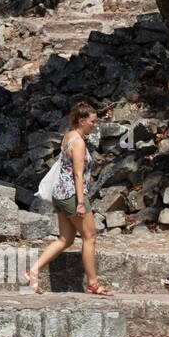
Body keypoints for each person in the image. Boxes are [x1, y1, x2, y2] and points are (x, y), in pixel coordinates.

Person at [25, 102, 112, 296]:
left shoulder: (69, 136)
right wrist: (80, 203)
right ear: (81, 121)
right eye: (92, 122)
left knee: (66, 239)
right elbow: (78, 175)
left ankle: (33, 272)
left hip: (61, 195)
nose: (95, 125)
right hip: (72, 195)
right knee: (90, 237)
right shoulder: (79, 143)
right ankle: (93, 283)